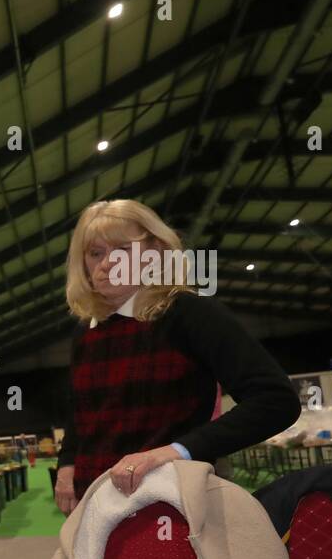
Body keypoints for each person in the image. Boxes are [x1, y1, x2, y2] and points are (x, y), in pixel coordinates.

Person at [54, 199, 301, 514]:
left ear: (155, 251)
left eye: (122, 250)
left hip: (170, 506)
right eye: (95, 253)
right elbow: (80, 415)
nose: (106, 264)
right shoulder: (85, 333)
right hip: (95, 507)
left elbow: (276, 400)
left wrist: (175, 451)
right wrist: (66, 465)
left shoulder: (187, 312)